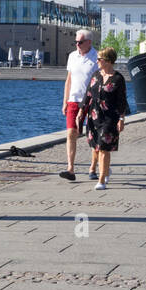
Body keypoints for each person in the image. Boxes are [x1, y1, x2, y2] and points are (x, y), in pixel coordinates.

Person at [78, 47, 128, 190]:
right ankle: (105, 170)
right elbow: (88, 94)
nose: (97, 61)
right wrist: (81, 111)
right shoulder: (96, 75)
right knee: (96, 147)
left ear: (108, 61)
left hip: (109, 118)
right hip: (94, 117)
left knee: (104, 148)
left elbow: (122, 101)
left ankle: (101, 181)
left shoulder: (118, 79)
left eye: (99, 59)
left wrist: (122, 119)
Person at [60, 29, 99, 182]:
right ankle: (70, 168)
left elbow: (99, 81)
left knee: (93, 135)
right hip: (73, 100)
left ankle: (93, 167)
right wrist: (65, 101)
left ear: (89, 42)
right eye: (76, 41)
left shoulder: (96, 57)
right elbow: (68, 80)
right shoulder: (72, 56)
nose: (77, 44)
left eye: (80, 42)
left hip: (91, 101)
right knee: (71, 133)